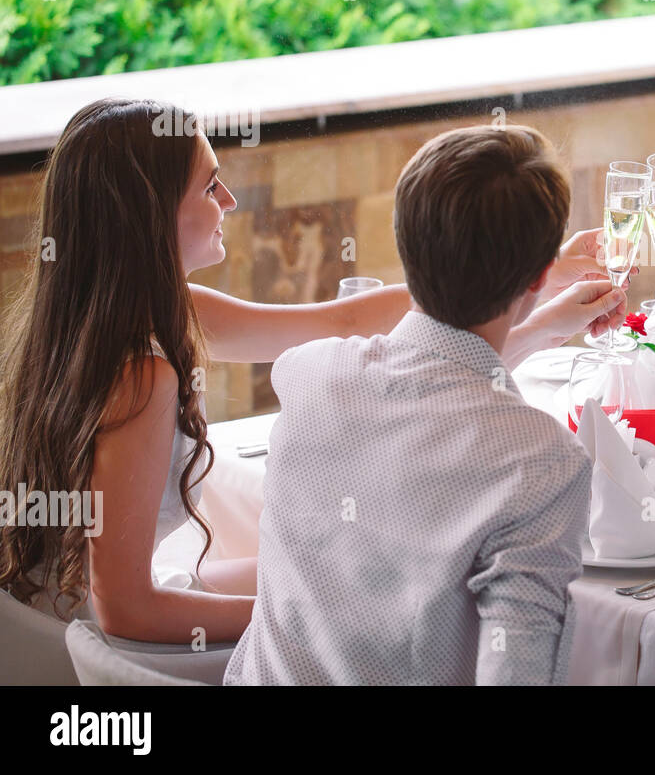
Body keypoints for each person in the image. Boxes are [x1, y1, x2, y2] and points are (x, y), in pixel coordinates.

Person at [0, 98, 624, 644]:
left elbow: (346, 322)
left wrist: (525, 289)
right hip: (106, 649)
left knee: (352, 561)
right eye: (210, 185)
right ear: (151, 214)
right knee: (373, 582)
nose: (230, 200)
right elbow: (125, 611)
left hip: (84, 603)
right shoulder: (142, 379)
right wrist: (294, 618)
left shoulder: (109, 309)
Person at [225, 125, 595, 685]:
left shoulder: (307, 376)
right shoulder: (543, 464)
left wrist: (537, 330)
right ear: (544, 275)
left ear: (402, 245)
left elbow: (437, 378)